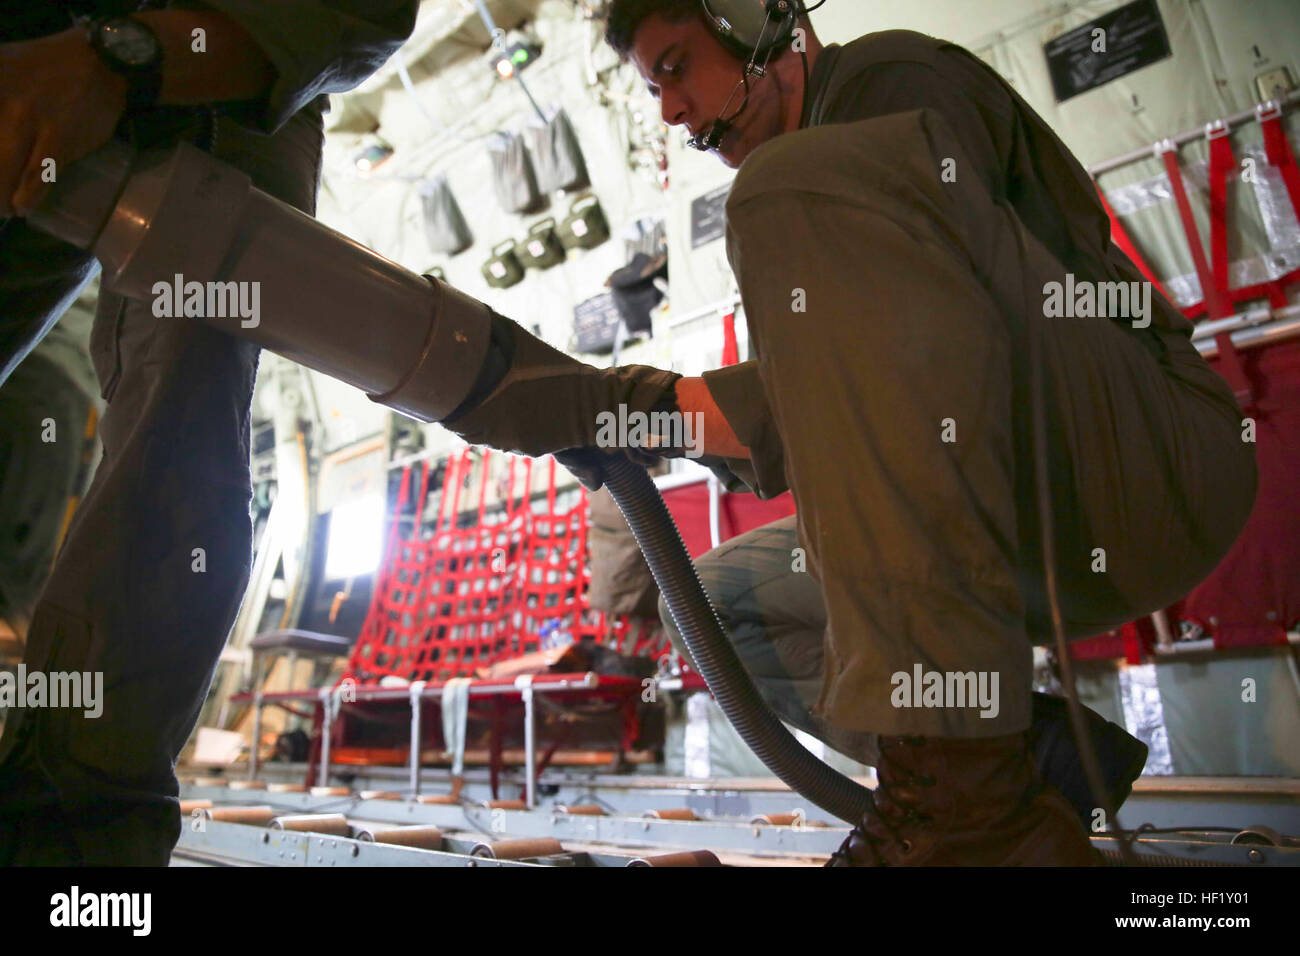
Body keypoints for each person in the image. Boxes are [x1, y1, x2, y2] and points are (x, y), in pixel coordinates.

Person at [572, 0, 1256, 864]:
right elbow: (847, 402)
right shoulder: (825, 191)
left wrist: (648, 406)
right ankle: (1014, 769)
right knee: (710, 603)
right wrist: (621, 409)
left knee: (791, 185)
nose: (669, 110)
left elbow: (931, 356)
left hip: (1142, 460)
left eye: (674, 66)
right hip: (1014, 516)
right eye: (652, 88)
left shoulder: (891, 84)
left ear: (752, 17)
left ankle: (968, 807)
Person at [0, 1, 418, 866]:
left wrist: (119, 57)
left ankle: (80, 817)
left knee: (184, 400)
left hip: (235, 52)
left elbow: (365, 11)